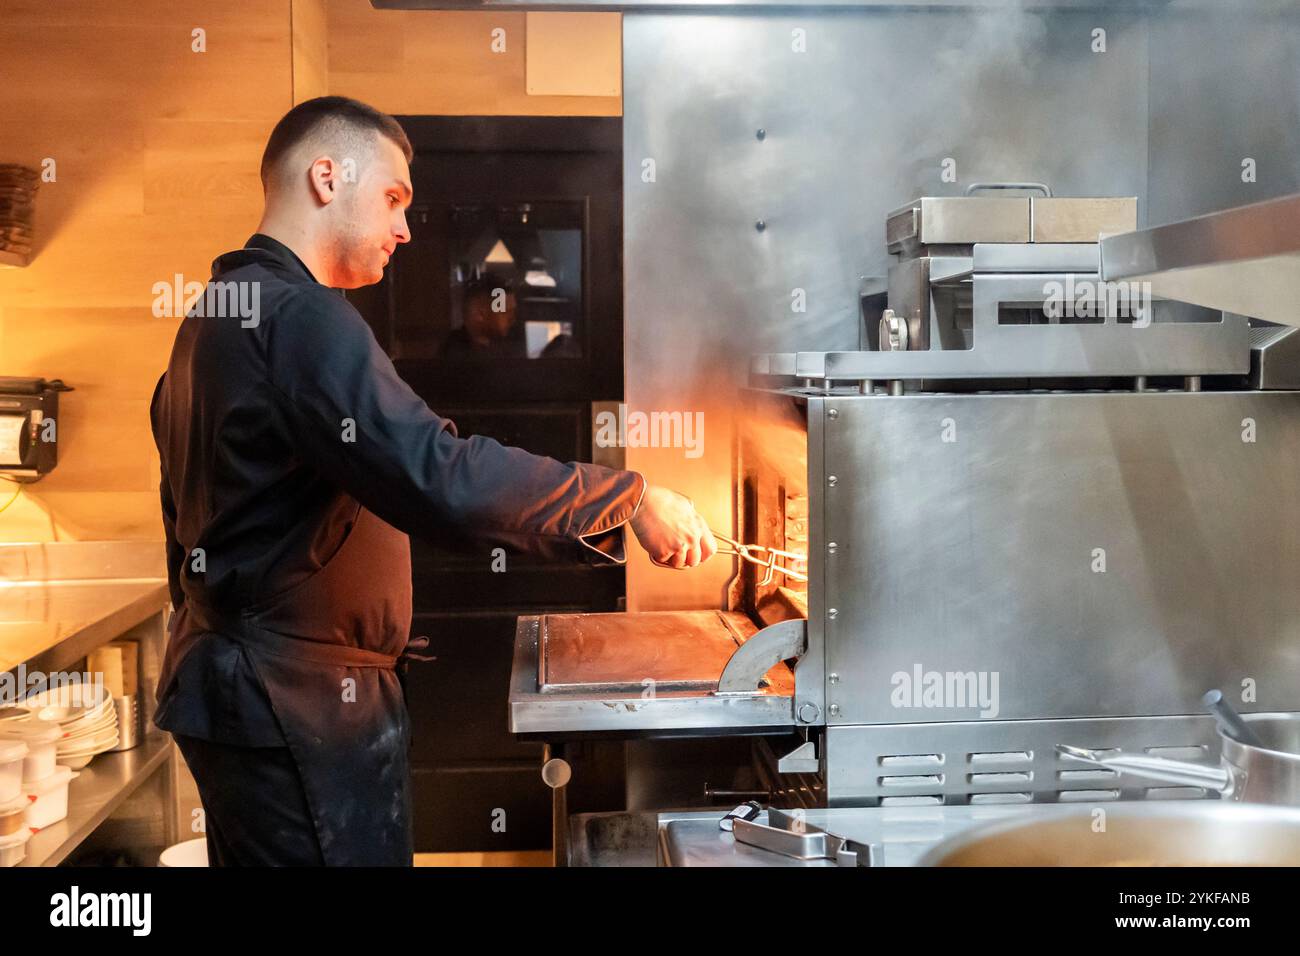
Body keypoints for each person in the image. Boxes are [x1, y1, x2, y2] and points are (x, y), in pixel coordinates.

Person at [149, 95, 716, 866]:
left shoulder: (212, 316)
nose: (405, 229)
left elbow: (185, 522)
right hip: (295, 705)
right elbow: (437, 472)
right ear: (325, 176)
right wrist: (629, 497)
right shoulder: (303, 319)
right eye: (392, 197)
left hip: (237, 689)